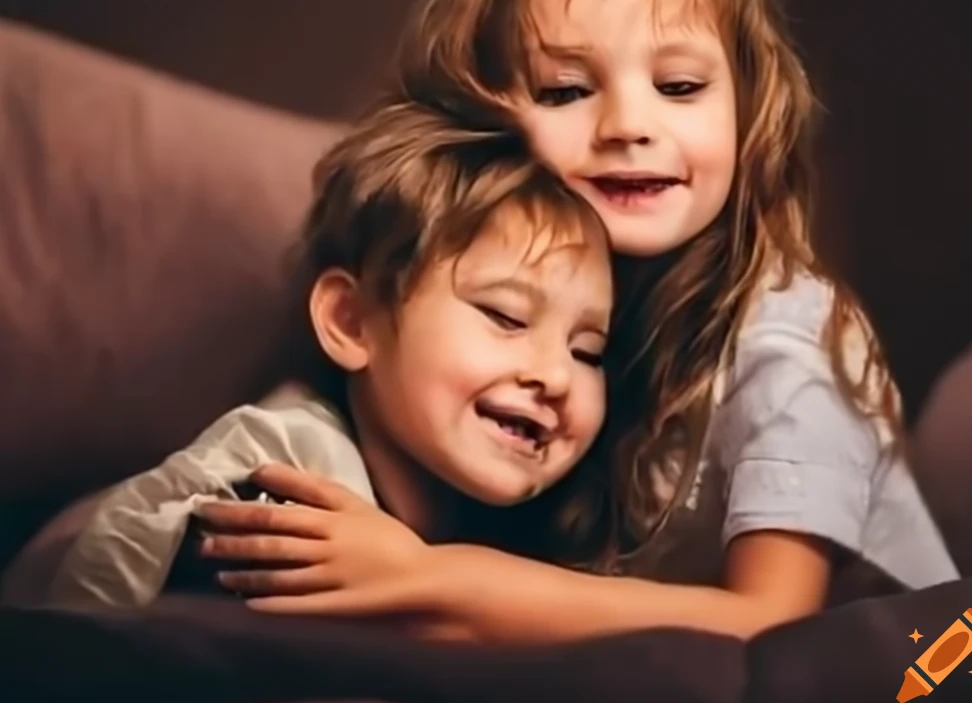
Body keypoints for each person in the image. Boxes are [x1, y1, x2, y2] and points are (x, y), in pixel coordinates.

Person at [197, 0, 959, 640]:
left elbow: (774, 622)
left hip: (913, 670)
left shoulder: (786, 346)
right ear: (490, 116)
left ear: (750, 110)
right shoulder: (548, 303)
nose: (628, 123)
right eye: (565, 91)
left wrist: (428, 579)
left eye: (681, 85)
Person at [46, 101, 615, 609]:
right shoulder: (281, 462)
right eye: (506, 318)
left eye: (588, 351)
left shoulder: (516, 525)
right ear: (352, 322)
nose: (556, 375)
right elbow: (117, 551)